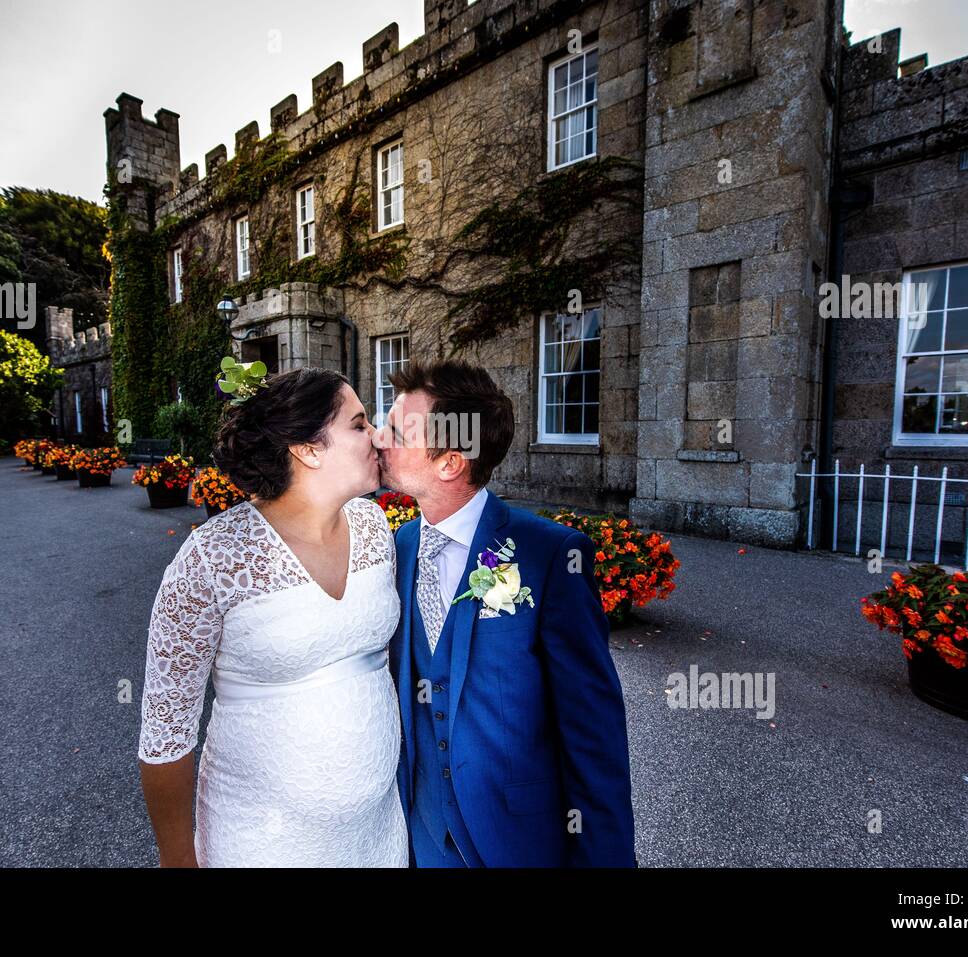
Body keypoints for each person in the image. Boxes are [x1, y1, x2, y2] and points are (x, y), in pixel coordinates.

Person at [136, 365, 408, 867]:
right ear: (307, 449)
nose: (377, 435)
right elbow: (165, 731)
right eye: (358, 424)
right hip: (261, 839)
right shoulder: (212, 558)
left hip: (377, 832)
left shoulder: (375, 526)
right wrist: (177, 859)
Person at [374, 359, 635, 867]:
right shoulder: (399, 545)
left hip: (518, 842)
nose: (379, 439)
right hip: (420, 837)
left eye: (397, 432)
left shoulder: (549, 556)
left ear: (451, 462)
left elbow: (592, 731)